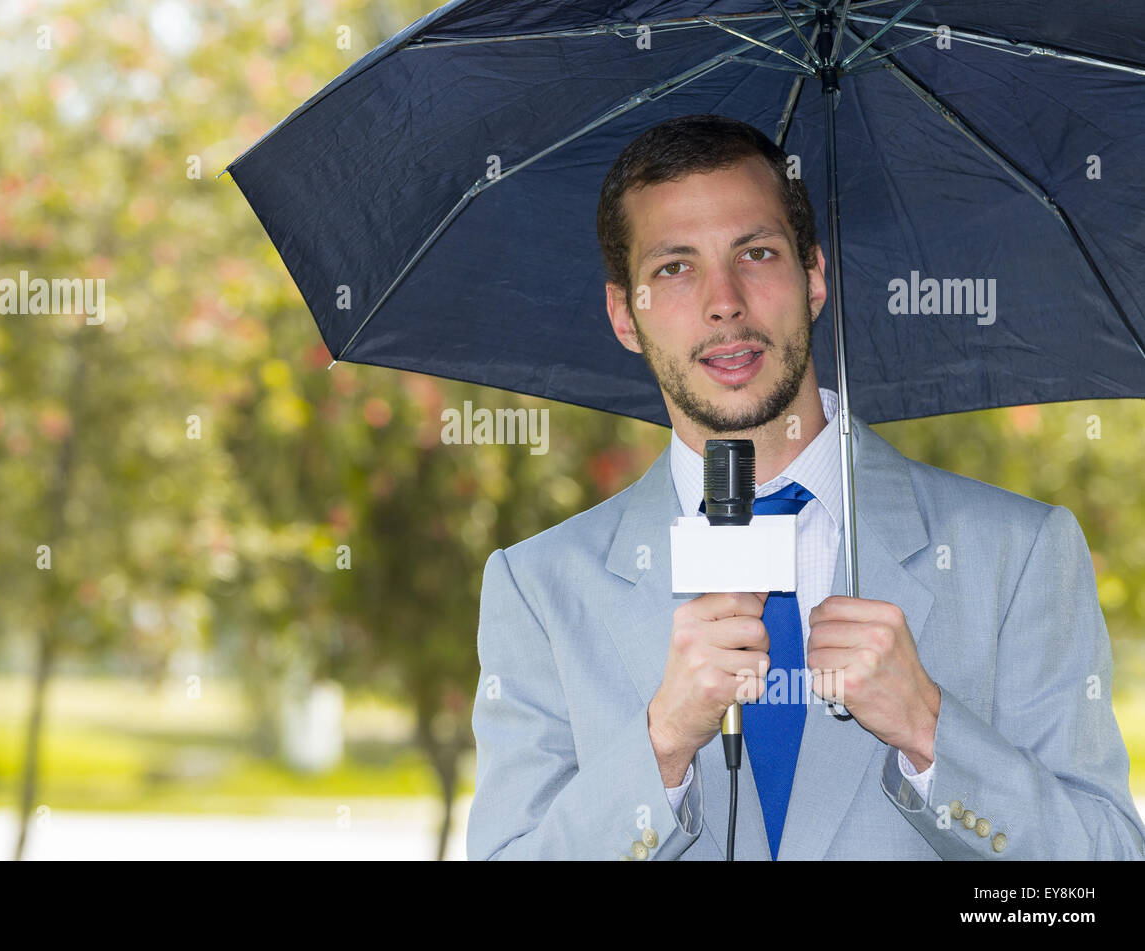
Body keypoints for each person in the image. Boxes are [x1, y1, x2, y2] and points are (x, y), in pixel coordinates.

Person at [465, 114, 1145, 861]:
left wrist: (930, 728)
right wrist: (659, 743)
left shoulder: (1016, 555)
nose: (724, 300)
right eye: (674, 268)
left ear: (814, 276)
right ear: (626, 315)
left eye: (756, 253)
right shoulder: (537, 590)